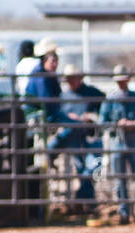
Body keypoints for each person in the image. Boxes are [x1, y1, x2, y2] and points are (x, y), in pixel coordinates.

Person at [44, 64, 104, 212]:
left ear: (80, 78)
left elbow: (104, 110)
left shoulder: (92, 93)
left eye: (74, 78)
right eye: (69, 79)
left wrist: (90, 118)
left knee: (92, 168)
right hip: (72, 137)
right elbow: (56, 117)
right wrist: (68, 119)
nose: (72, 81)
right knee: (83, 168)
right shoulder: (64, 97)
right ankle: (86, 202)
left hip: (90, 136)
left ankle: (80, 200)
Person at [100, 65, 135, 225]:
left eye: (123, 80)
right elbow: (103, 122)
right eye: (119, 81)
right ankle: (124, 212)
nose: (121, 83)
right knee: (120, 180)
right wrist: (117, 124)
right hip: (118, 143)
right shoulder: (110, 100)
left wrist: (134, 124)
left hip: (133, 142)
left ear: (128, 80)